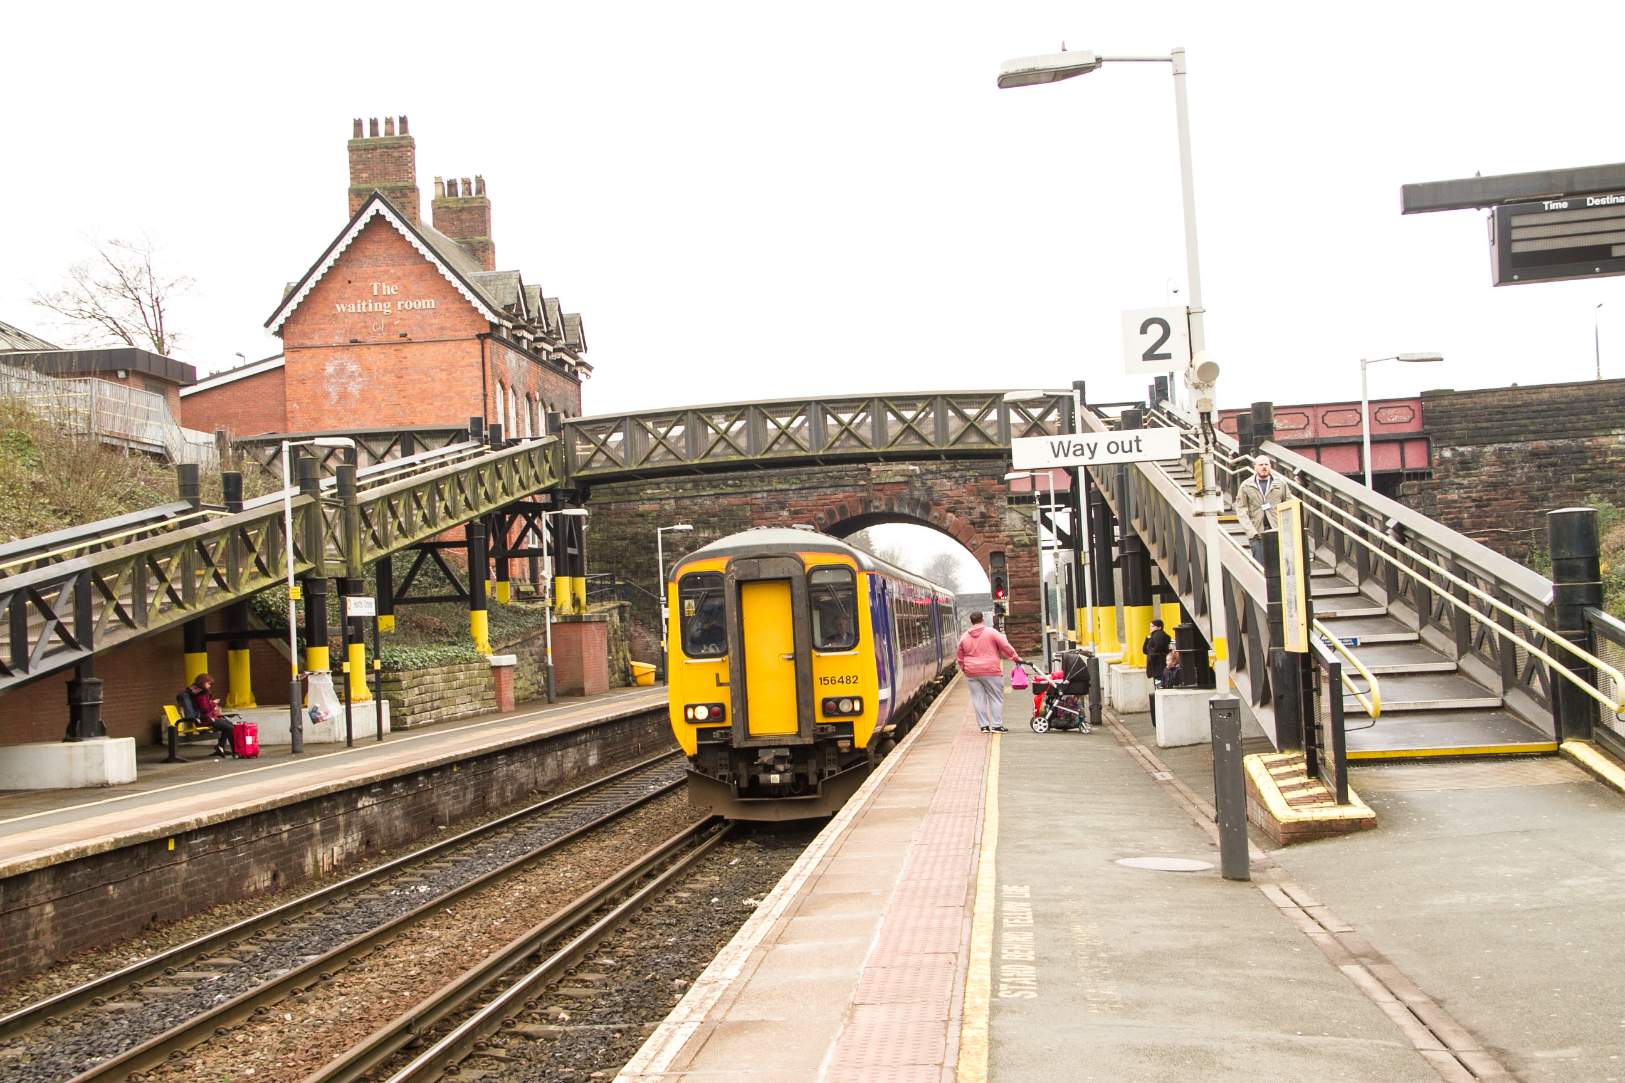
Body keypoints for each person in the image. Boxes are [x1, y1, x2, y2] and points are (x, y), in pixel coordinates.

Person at [956, 611, 1018, 733]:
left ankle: (984, 726)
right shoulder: (992, 632)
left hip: (972, 672)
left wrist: (964, 668)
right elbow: (1005, 646)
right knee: (995, 698)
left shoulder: (964, 637)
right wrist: (1015, 657)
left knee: (978, 698)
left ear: (971, 621)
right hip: (991, 670)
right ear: (982, 619)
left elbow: (959, 656)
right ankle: (996, 725)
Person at [1233, 453, 1289, 564]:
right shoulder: (1246, 485)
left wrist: (1286, 527)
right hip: (1257, 532)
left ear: (1270, 466)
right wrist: (1251, 532)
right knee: (1260, 564)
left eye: (1266, 464)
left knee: (1279, 563)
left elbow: (1288, 504)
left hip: (1277, 529)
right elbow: (1241, 510)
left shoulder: (1280, 484)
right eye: (1261, 464)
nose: (1264, 467)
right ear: (1255, 467)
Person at [188, 673, 233, 757]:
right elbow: (205, 708)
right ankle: (228, 749)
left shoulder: (196, 692)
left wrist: (211, 704)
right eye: (208, 683)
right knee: (229, 727)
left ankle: (221, 747)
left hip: (205, 718)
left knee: (229, 725)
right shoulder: (202, 694)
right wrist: (213, 703)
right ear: (203, 682)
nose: (209, 686)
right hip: (205, 719)